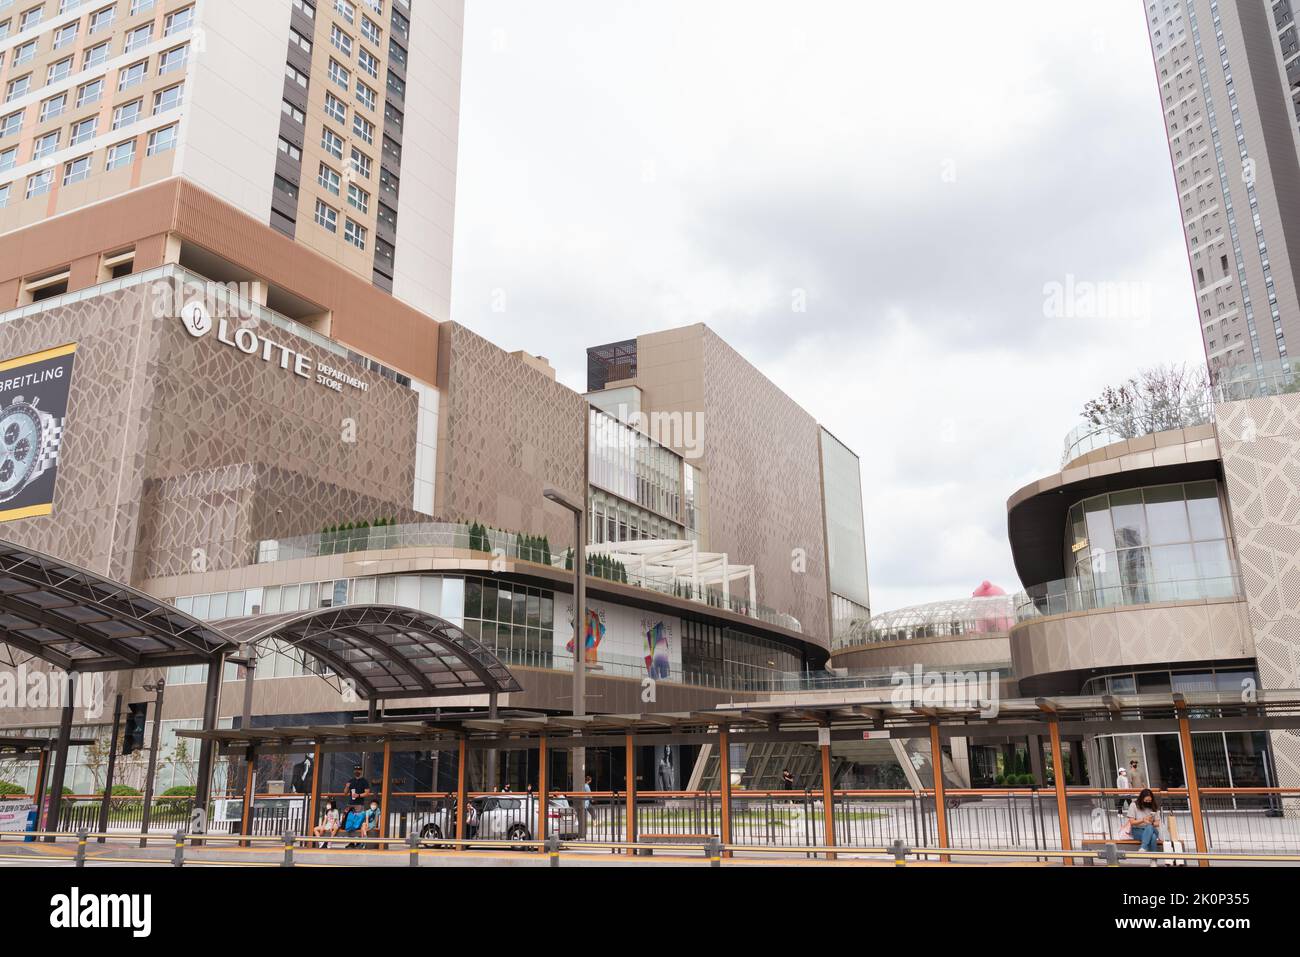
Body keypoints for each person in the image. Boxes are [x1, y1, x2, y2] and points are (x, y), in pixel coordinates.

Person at [1127, 788, 1162, 862]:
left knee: (1149, 826)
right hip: (1137, 830)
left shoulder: (1154, 807)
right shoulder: (1133, 805)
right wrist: (1143, 820)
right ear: (1141, 799)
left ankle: (1143, 847)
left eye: (1149, 801)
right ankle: (1154, 861)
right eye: (1146, 801)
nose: (1148, 802)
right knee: (1153, 837)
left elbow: (1157, 823)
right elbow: (1132, 822)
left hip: (1152, 829)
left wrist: (1150, 822)